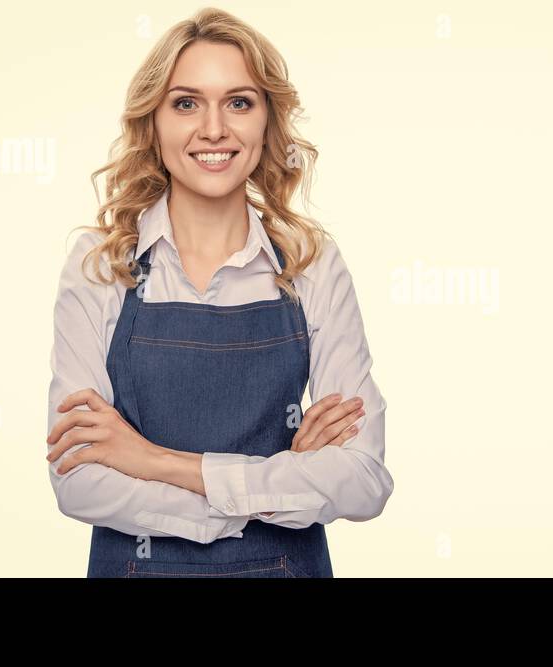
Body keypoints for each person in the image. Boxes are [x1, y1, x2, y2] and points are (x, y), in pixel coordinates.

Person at [43, 8, 393, 578]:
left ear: (267, 122)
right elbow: (78, 479)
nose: (213, 129)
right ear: (153, 122)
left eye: (239, 102)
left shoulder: (311, 265)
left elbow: (362, 481)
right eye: (186, 103)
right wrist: (270, 486)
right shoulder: (100, 266)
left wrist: (155, 462)